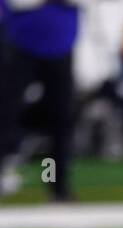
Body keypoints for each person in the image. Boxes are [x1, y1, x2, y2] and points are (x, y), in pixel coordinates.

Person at [0, 0, 79, 201]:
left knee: (59, 118)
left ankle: (55, 185)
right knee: (7, 113)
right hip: (21, 42)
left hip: (60, 45)